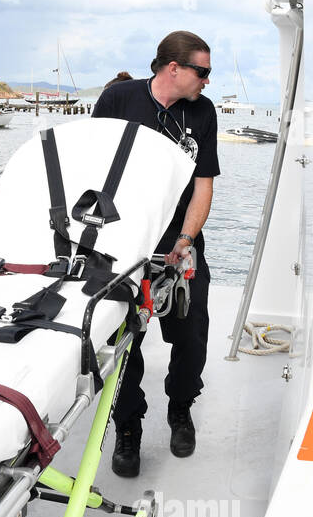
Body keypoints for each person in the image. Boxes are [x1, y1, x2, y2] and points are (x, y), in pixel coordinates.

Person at [91, 31, 219, 477]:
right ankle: (128, 426)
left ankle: (180, 407)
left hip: (179, 243)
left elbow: (203, 184)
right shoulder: (119, 100)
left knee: (191, 333)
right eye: (202, 71)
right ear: (173, 69)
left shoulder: (202, 112)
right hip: (123, 246)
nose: (207, 79)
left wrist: (185, 240)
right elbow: (91, 171)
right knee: (123, 339)